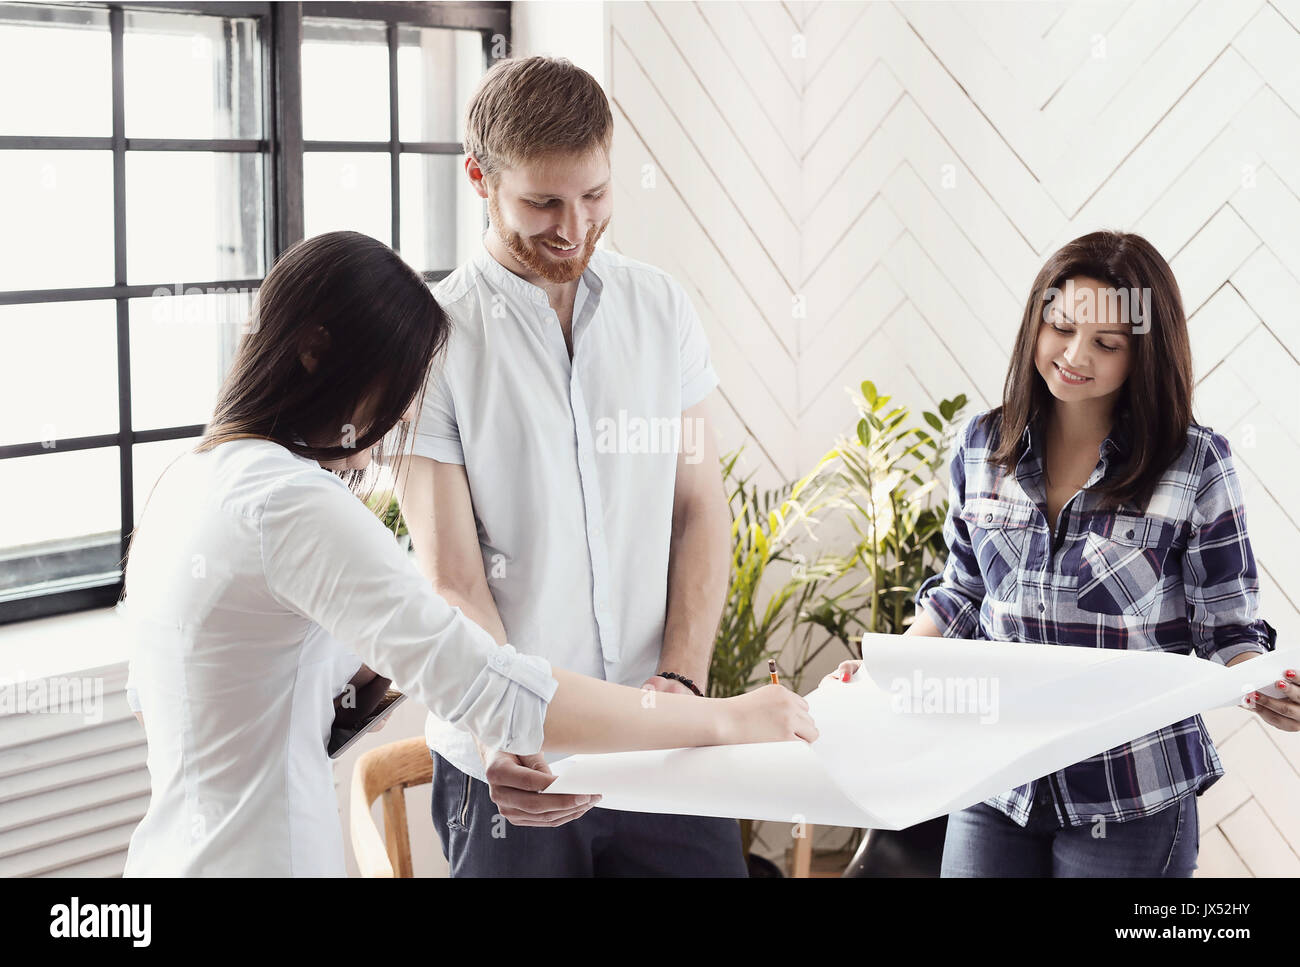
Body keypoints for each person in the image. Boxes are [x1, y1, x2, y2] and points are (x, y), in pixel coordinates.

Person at [120, 230, 816, 877]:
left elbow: (209, 690)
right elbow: (494, 686)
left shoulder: (187, 483)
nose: (398, 415)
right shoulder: (292, 504)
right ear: (314, 353)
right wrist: (729, 717)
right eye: (393, 381)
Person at [830, 230, 1293, 877]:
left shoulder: (1194, 463)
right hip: (997, 778)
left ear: (1143, 355)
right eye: (1061, 327)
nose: (1074, 355)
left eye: (1106, 343)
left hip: (1131, 791)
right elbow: (963, 592)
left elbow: (1227, 626)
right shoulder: (982, 444)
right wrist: (885, 671)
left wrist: (1265, 685)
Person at [397, 55, 748, 876]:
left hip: (661, 737)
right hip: (515, 760)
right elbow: (451, 576)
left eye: (594, 196)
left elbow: (699, 505)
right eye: (543, 203)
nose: (574, 226)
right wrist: (503, 729)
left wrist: (683, 687)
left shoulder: (662, 309)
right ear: (480, 178)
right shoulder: (431, 342)